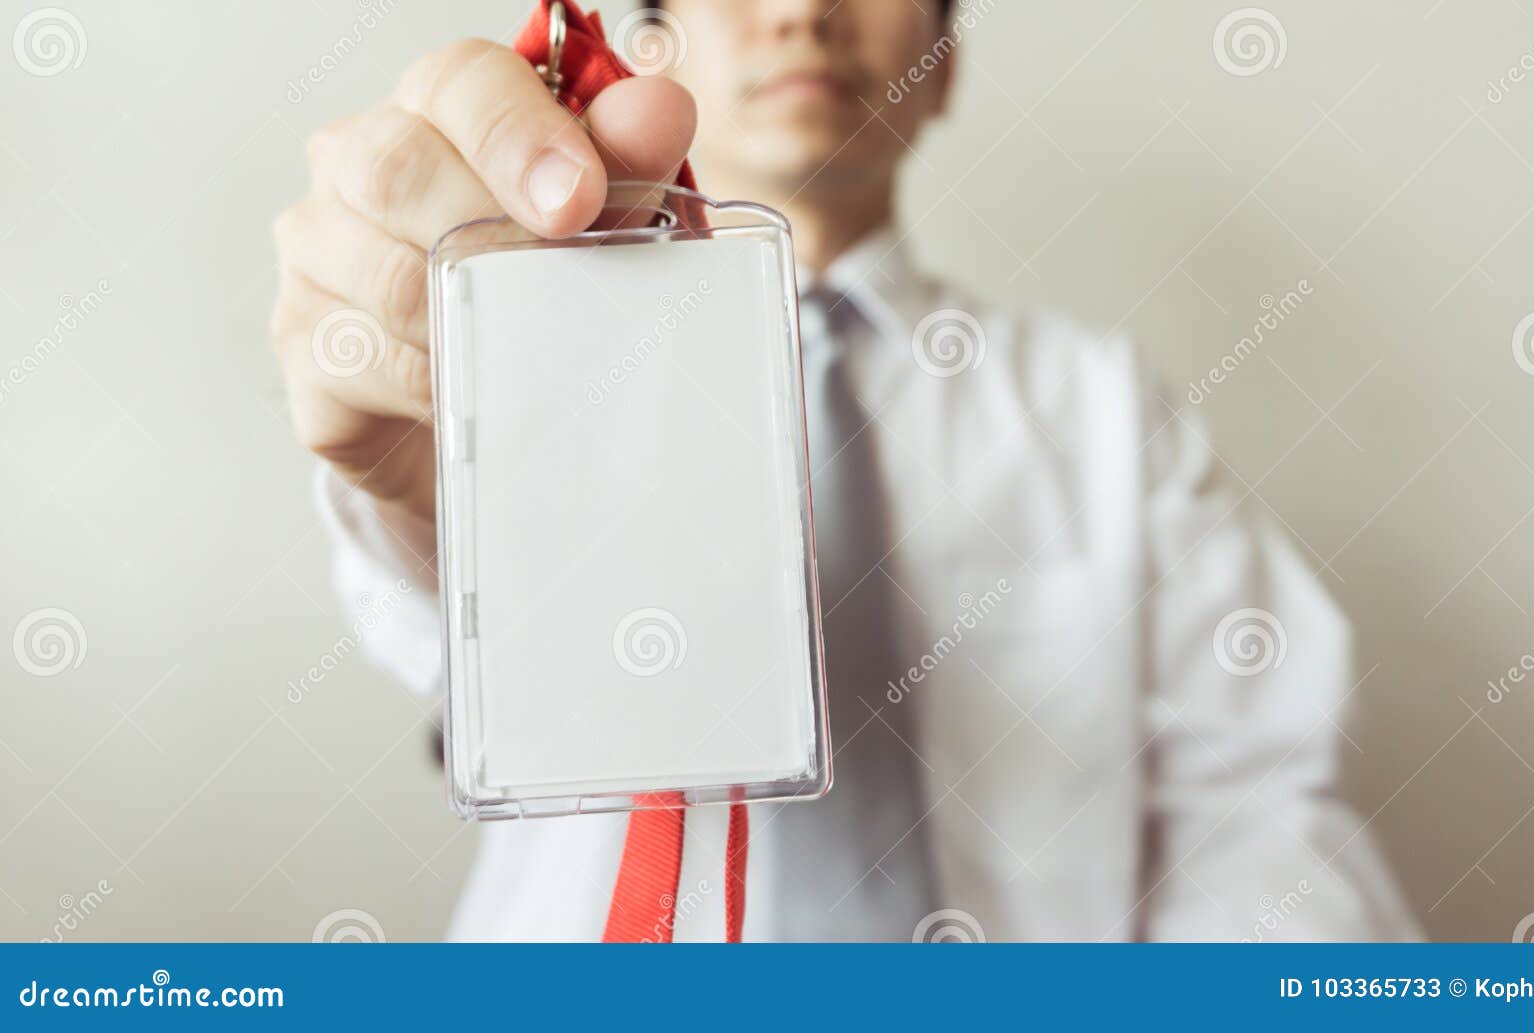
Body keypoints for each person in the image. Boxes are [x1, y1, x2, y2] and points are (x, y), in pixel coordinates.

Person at [269, 0, 1418, 941]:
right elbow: (425, 628)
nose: (805, 13)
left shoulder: (1102, 408)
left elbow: (1254, 807)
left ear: (944, 63)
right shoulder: (536, 360)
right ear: (648, 42)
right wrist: (432, 494)